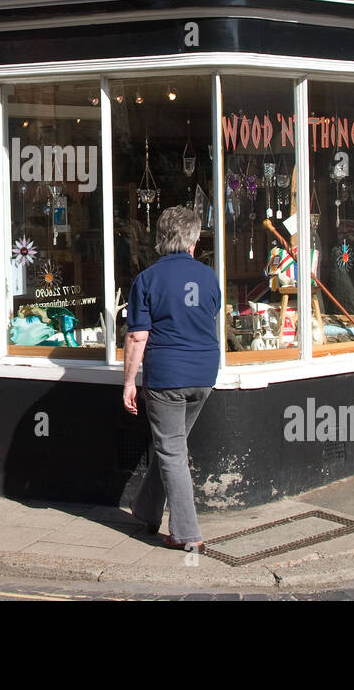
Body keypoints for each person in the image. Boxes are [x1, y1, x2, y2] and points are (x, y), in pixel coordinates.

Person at [122, 205, 221, 550]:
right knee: (172, 447)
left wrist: (128, 383)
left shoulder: (147, 280)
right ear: (192, 242)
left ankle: (187, 534)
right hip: (205, 374)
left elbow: (137, 336)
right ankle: (146, 510)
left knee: (171, 451)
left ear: (160, 240)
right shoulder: (209, 276)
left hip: (167, 376)